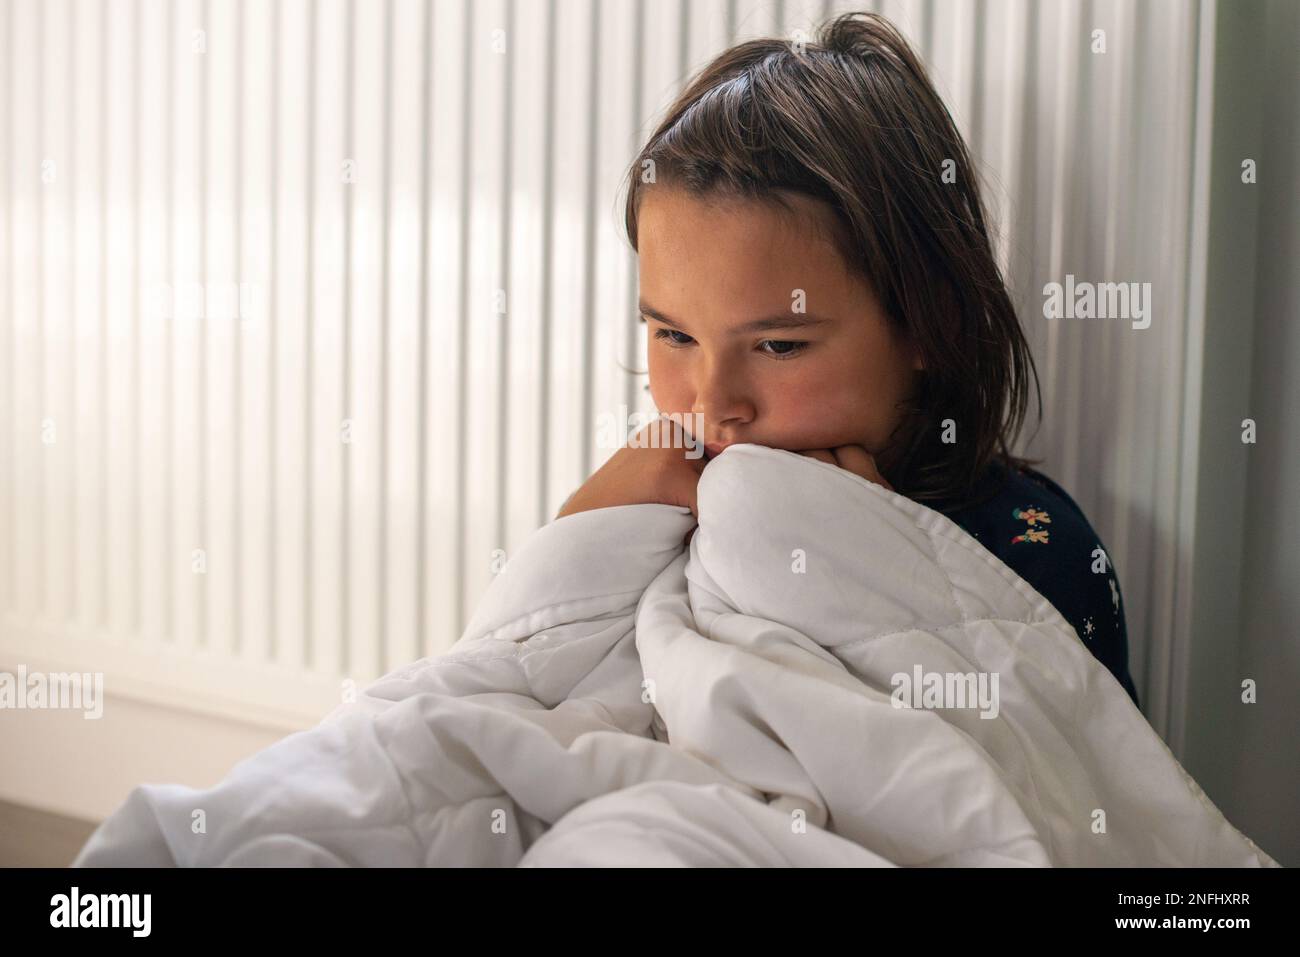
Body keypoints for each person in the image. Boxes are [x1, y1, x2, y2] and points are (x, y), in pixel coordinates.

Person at [557, 11, 1139, 708]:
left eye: (778, 345)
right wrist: (581, 536)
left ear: (929, 320)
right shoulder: (657, 500)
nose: (711, 406)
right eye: (674, 336)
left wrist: (879, 568)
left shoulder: (1036, 556)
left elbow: (1062, 788)